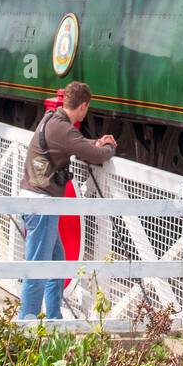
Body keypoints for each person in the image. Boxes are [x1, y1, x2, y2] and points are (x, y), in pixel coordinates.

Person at [18, 82, 117, 319]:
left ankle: (54, 319)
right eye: (87, 108)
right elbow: (95, 154)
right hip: (41, 205)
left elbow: (77, 143)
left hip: (36, 200)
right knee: (38, 269)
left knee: (57, 266)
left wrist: (95, 141)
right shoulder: (62, 128)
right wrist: (109, 147)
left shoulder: (52, 119)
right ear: (83, 106)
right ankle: (26, 323)